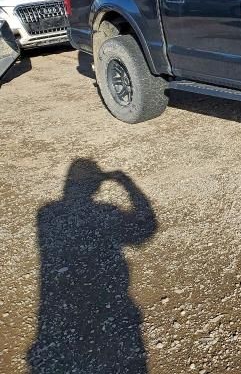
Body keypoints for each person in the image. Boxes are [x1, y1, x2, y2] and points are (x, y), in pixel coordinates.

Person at [27, 159, 157, 373]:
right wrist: (127, 183)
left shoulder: (47, 213)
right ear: (96, 185)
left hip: (59, 307)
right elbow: (146, 229)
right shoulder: (107, 212)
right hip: (110, 304)